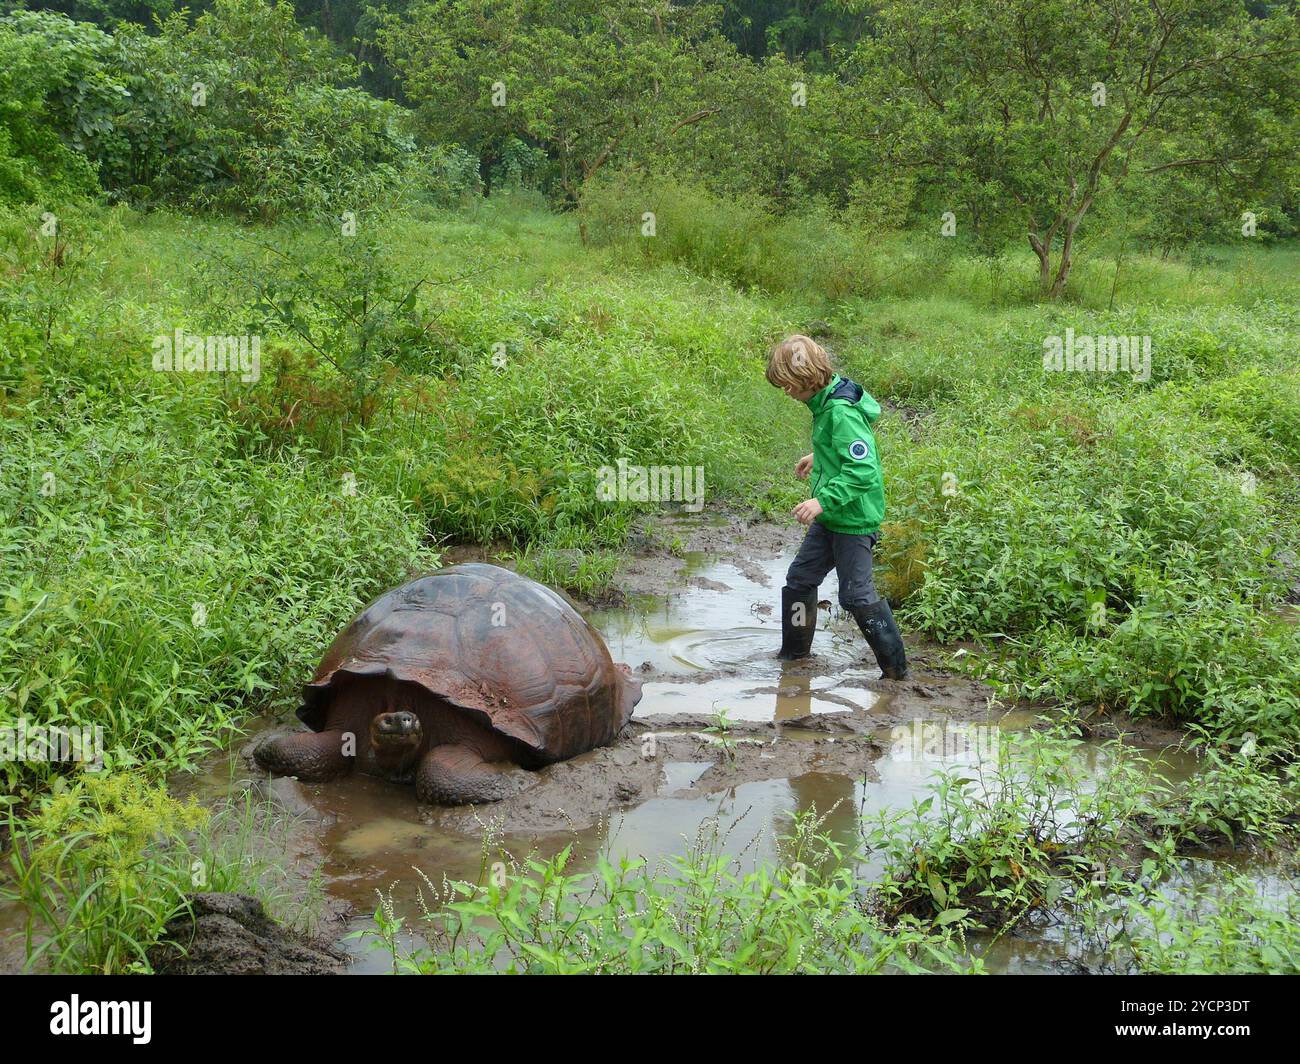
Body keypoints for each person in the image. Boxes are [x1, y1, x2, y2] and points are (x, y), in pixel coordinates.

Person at [766, 334, 908, 679]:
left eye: (789, 385)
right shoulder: (827, 399)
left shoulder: (840, 411)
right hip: (832, 517)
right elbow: (846, 450)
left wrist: (821, 500)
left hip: (853, 520)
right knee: (800, 580)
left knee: (857, 596)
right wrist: (822, 455)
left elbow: (864, 471)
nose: (786, 393)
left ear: (808, 377)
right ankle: (794, 656)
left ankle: (896, 673)